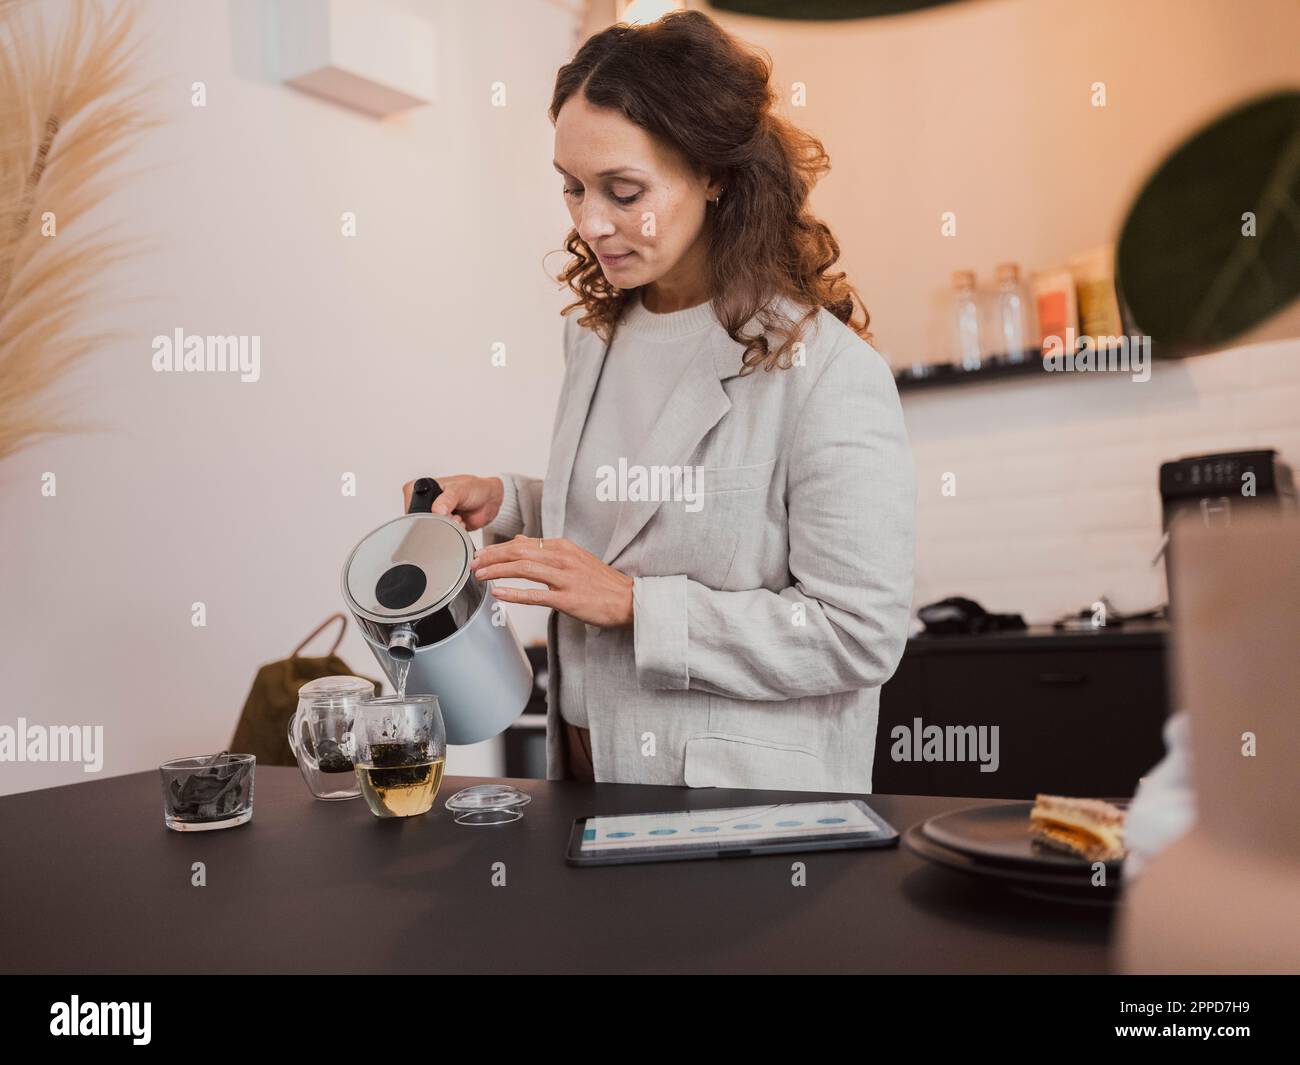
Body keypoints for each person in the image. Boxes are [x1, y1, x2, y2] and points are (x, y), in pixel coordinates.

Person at [403, 10, 915, 791]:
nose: (591, 222)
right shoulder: (599, 338)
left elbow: (858, 634)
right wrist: (508, 501)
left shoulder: (827, 373)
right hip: (583, 771)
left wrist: (638, 607)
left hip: (735, 805)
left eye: (624, 190)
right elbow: (647, 513)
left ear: (714, 173)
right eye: (573, 189)